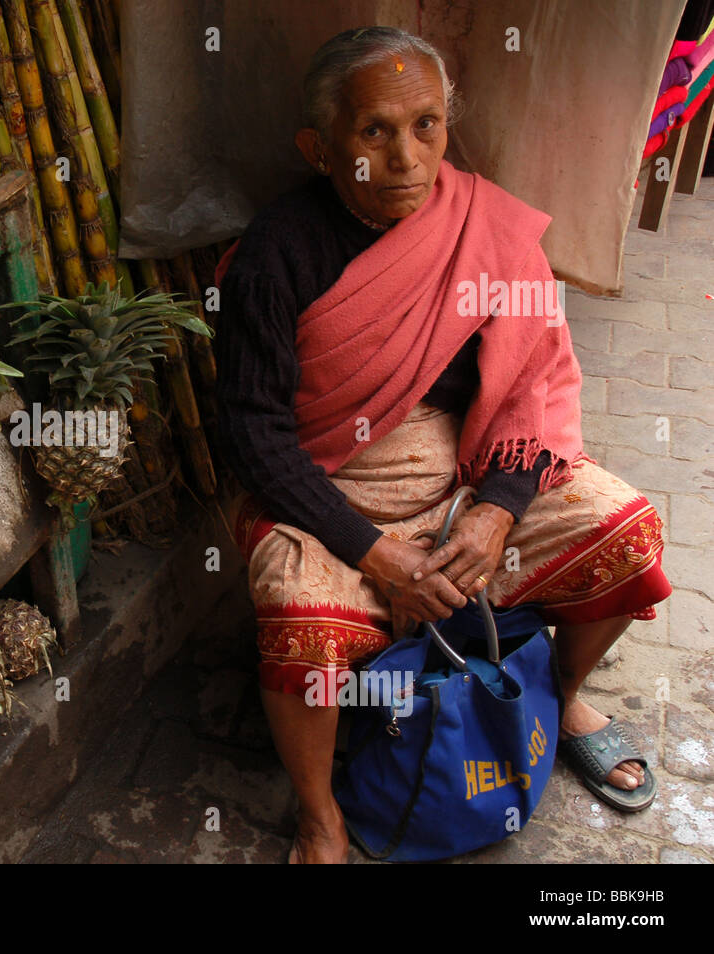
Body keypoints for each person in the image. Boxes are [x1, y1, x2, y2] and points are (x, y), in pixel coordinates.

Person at [213, 26, 672, 864]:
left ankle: (551, 697)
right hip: (329, 487)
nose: (407, 157)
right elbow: (252, 434)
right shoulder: (276, 255)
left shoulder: (482, 225)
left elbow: (528, 383)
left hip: (464, 474)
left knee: (626, 529)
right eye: (374, 131)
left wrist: (498, 509)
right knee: (297, 619)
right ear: (320, 148)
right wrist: (375, 554)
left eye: (426, 125)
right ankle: (320, 816)